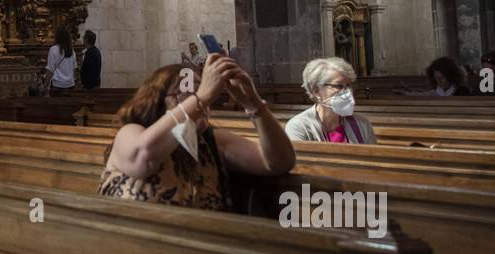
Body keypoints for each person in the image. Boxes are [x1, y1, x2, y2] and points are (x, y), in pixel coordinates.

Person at [96, 54, 296, 209]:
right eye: (185, 93)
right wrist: (201, 97)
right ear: (157, 98)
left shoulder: (211, 141)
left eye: (203, 91)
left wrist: (253, 104)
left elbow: (279, 162)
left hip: (206, 250)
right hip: (135, 251)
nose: (200, 102)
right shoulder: (131, 132)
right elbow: (142, 159)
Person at [285, 57, 377, 144]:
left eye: (348, 86)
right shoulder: (299, 127)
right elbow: (302, 160)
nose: (347, 92)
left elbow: (374, 159)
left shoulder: (362, 124)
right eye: (339, 86)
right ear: (316, 91)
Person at [44, 27, 76, 96]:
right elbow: (74, 69)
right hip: (70, 85)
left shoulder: (54, 49)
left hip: (57, 86)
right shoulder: (72, 51)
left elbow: (50, 71)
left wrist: (45, 87)